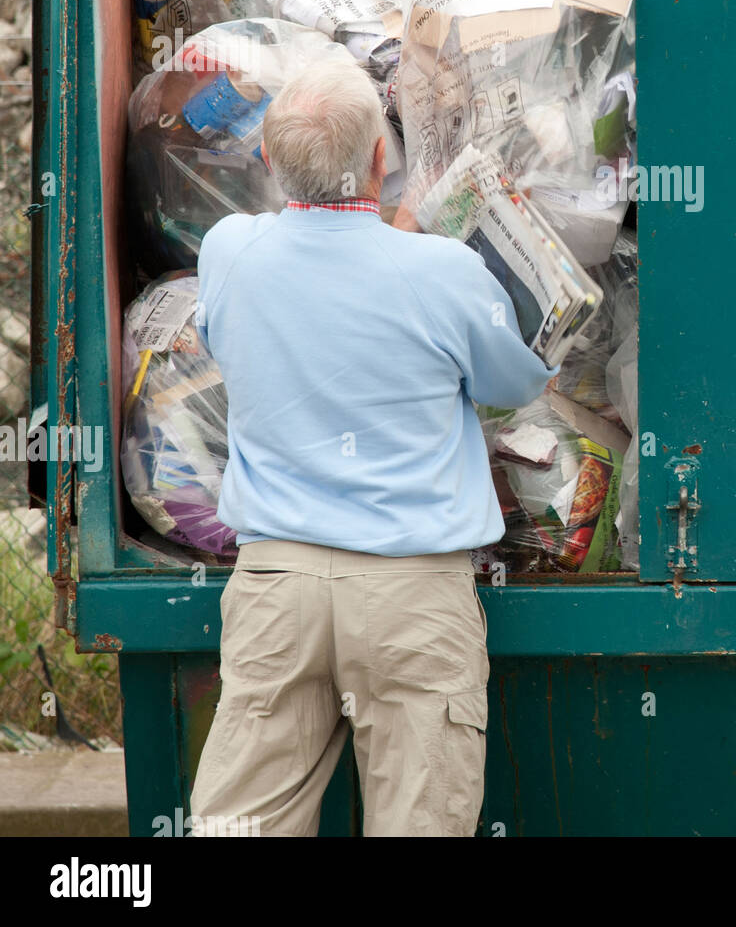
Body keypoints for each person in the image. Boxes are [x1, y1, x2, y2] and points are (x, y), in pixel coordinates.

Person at [188, 55, 555, 836]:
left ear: (265, 161)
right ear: (381, 161)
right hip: (412, 600)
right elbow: (518, 382)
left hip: (276, 590)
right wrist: (418, 229)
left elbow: (304, 271)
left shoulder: (228, 253)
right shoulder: (444, 272)